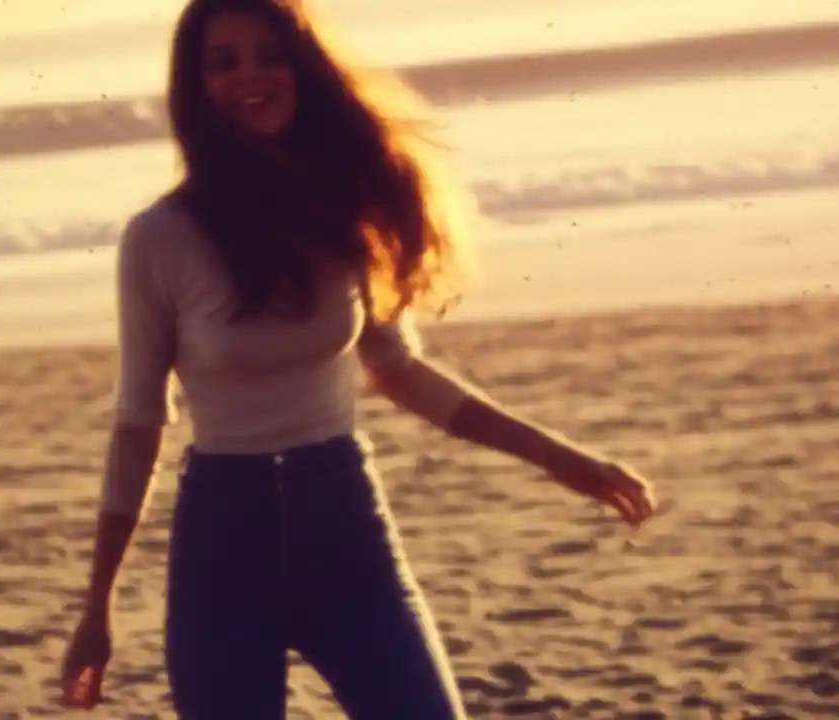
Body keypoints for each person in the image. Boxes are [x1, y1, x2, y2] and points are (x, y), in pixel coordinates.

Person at [60, 0, 656, 716]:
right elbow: (138, 423)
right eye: (224, 62)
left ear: (302, 68)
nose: (251, 77)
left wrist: (562, 458)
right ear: (196, 87)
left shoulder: (341, 208)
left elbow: (400, 371)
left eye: (270, 56)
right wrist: (97, 607)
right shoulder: (160, 239)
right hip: (224, 546)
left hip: (344, 526)